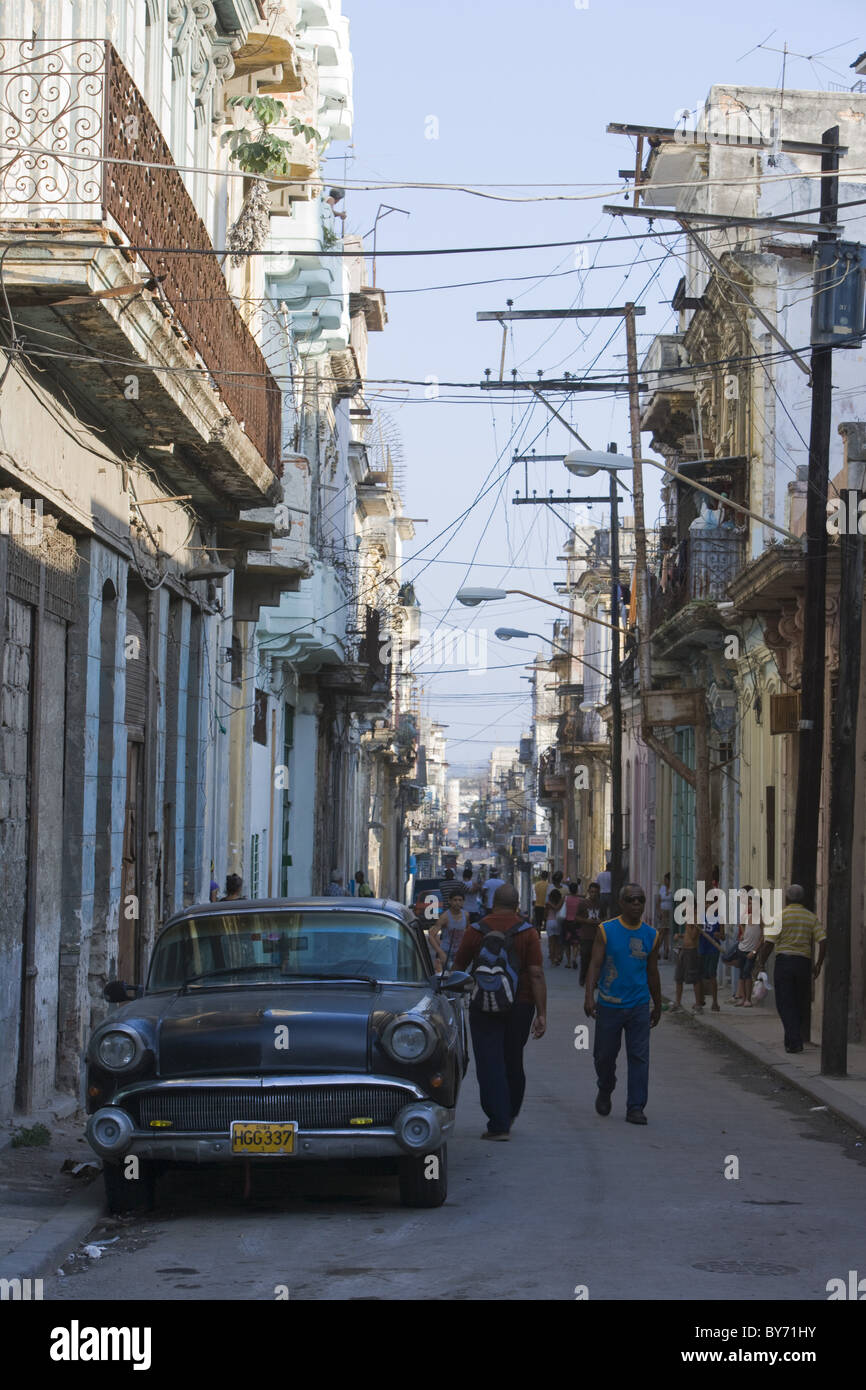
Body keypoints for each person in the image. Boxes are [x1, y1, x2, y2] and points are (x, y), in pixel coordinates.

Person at [454, 884, 546, 1141]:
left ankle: (498, 1121)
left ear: (492, 902)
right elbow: (537, 974)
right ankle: (510, 1112)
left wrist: (453, 1001)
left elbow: (459, 967)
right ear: (517, 906)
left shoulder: (475, 930)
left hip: (482, 1004)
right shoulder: (528, 934)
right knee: (513, 1058)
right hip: (521, 1004)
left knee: (488, 1061)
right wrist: (542, 1014)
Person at [584, 882, 661, 1125]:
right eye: (631, 900)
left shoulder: (651, 935)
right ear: (621, 903)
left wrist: (657, 1004)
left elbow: (652, 972)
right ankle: (605, 1087)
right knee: (603, 1056)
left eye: (640, 900)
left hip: (638, 1005)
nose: (636, 904)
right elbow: (595, 964)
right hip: (609, 1004)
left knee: (639, 1057)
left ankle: (636, 1107)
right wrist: (589, 996)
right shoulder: (606, 930)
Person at [771, 885, 826, 1053]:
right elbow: (823, 941)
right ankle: (791, 1039)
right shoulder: (811, 917)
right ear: (802, 899)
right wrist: (818, 964)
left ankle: (795, 1041)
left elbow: (768, 942)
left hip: (784, 963)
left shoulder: (780, 917)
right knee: (799, 1001)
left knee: (784, 1003)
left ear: (787, 899)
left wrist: (760, 963)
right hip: (803, 963)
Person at [731, 889, 764, 1007]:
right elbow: (741, 925)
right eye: (749, 904)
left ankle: (748, 999)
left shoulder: (760, 918)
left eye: (752, 904)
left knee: (747, 973)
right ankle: (743, 998)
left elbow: (763, 937)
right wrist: (742, 935)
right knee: (741, 974)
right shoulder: (748, 916)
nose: (750, 906)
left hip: (751, 951)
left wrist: (755, 951)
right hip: (742, 949)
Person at [429, 891, 469, 973]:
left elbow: (468, 932)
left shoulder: (466, 915)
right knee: (446, 979)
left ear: (463, 902)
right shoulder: (445, 917)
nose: (457, 902)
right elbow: (431, 936)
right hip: (446, 953)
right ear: (450, 901)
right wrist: (440, 952)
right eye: (455, 900)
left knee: (459, 978)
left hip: (459, 954)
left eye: (460, 900)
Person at [671, 912, 703, 1012]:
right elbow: (687, 935)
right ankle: (678, 1002)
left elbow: (693, 936)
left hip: (692, 951)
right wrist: (680, 935)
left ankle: (698, 1004)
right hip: (684, 949)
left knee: (694, 978)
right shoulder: (689, 918)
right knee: (678, 977)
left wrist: (690, 924)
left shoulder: (696, 919)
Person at [575, 881, 602, 985]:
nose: (593, 894)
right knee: (585, 958)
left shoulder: (601, 904)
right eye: (592, 892)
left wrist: (601, 921)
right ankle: (583, 979)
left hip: (598, 936)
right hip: (586, 935)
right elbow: (576, 917)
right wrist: (586, 921)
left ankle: (594, 981)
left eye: (595, 892)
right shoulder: (583, 903)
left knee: (596, 959)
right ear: (588, 892)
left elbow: (605, 916)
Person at [697, 906, 723, 1012]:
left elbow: (723, 936)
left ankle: (715, 1002)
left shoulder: (719, 918)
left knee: (712, 975)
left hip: (713, 949)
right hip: (702, 948)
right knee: (701, 976)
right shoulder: (700, 917)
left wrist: (719, 935)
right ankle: (700, 999)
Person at [559, 881, 584, 970]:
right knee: (576, 943)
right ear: (577, 890)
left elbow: (559, 907)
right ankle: (574, 958)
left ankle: (569, 962)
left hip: (567, 922)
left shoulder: (565, 898)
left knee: (567, 944)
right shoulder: (580, 900)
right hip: (576, 923)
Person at [655, 872, 673, 960]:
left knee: (667, 932)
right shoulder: (662, 888)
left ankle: (666, 951)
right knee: (661, 931)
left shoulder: (672, 888)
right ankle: (657, 950)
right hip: (663, 912)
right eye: (665, 880)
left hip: (670, 912)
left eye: (666, 880)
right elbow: (658, 900)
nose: (665, 881)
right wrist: (659, 911)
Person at [545, 888, 563, 965]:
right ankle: (556, 957)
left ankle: (552, 960)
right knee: (557, 942)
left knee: (551, 942)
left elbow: (545, 914)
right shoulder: (561, 902)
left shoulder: (548, 903)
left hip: (550, 921)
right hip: (558, 922)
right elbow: (558, 908)